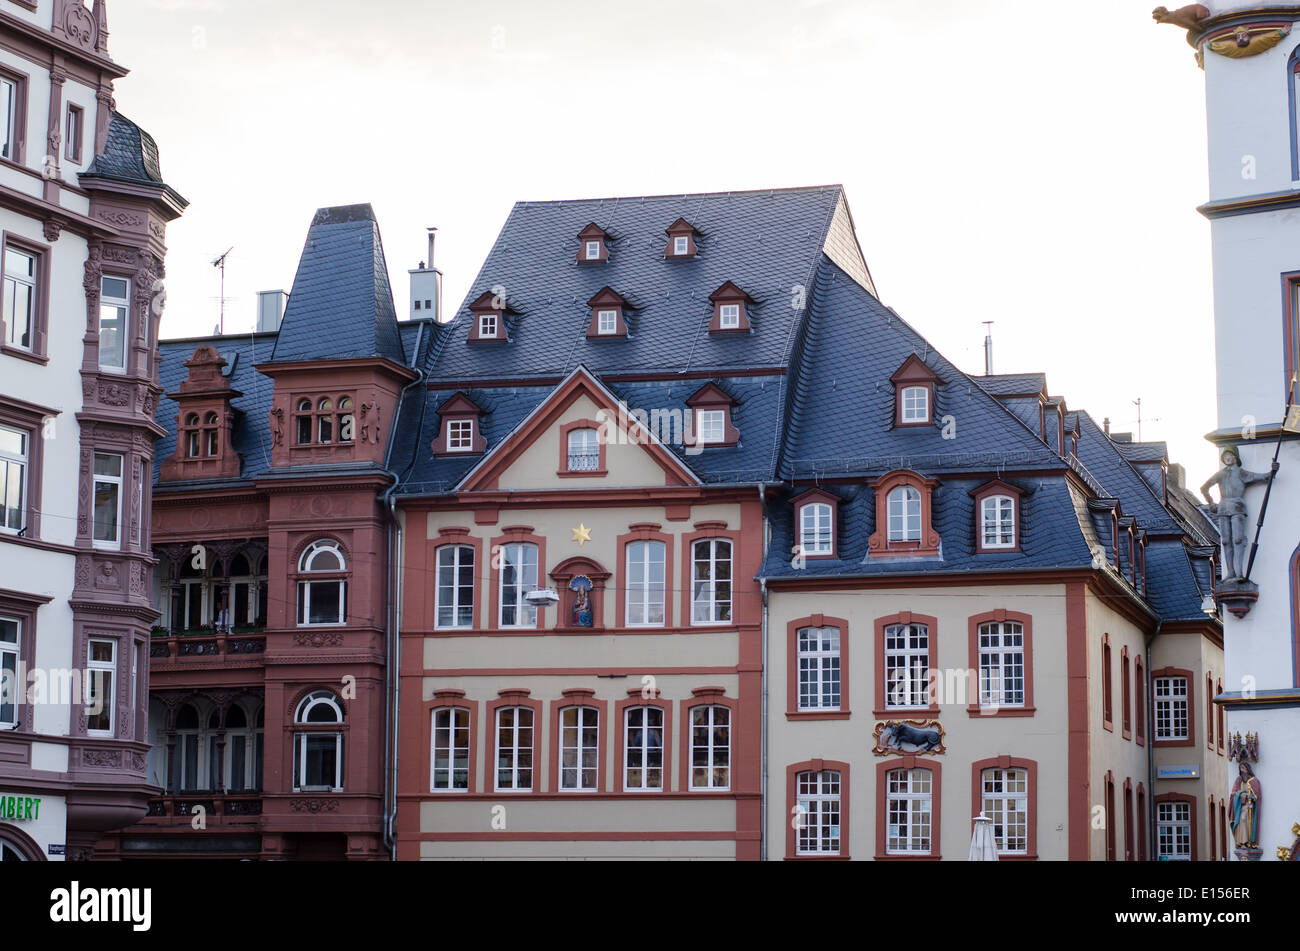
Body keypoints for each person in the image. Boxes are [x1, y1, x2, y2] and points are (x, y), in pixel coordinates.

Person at [1199, 446, 1276, 580]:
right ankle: (1231, 572)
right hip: (1223, 507)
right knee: (1225, 541)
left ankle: (1239, 572)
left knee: (1238, 539)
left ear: (1235, 458)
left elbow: (1262, 477)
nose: (1228, 458)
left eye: (1230, 455)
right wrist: (1211, 502)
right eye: (1226, 456)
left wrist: (1272, 471)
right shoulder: (1220, 474)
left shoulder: (1241, 473)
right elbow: (1204, 487)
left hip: (1237, 506)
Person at [1230, 761, 1261, 850]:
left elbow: (1257, 795)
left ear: (1248, 769)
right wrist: (1242, 794)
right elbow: (1233, 793)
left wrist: (1252, 796)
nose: (1242, 770)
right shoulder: (1239, 780)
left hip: (1250, 807)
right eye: (1241, 769)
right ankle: (1242, 842)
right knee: (1242, 821)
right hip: (1241, 806)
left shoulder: (1253, 781)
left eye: (1243, 768)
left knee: (1248, 822)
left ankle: (1249, 842)